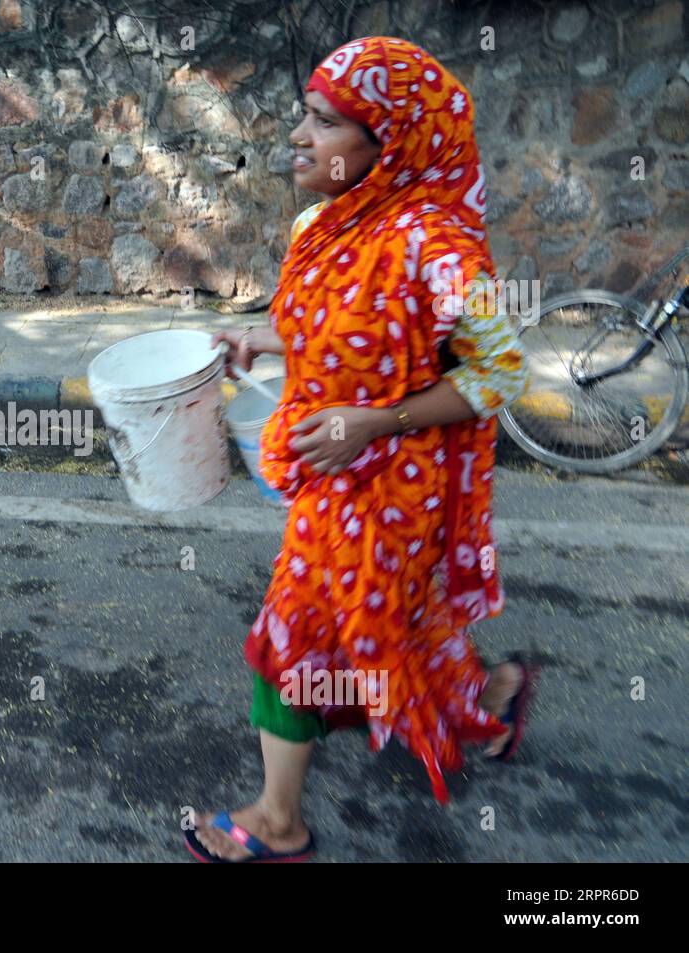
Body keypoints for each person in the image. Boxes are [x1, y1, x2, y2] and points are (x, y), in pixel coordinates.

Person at [194, 36, 537, 863]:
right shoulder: (324, 221)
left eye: (326, 123)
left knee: (295, 633)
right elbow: (335, 327)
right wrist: (262, 342)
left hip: (393, 487)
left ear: (389, 145)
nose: (299, 139)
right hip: (326, 468)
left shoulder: (438, 249)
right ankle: (496, 689)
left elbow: (501, 374)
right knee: (398, 620)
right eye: (305, 117)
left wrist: (375, 422)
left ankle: (278, 821)